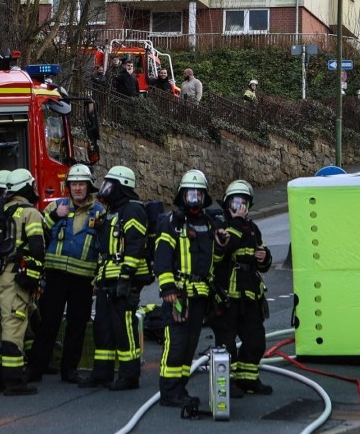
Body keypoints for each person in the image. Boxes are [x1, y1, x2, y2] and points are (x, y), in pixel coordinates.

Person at [30, 165, 106, 384]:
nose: (78, 188)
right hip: (55, 276)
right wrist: (55, 215)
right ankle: (37, 368)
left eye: (82, 184)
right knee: (48, 324)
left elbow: (103, 247)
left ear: (89, 187)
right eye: (74, 184)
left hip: (83, 279)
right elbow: (40, 232)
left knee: (77, 326)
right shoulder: (57, 206)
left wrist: (98, 279)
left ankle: (69, 370)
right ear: (68, 187)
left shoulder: (99, 212)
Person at [154, 170, 220, 411]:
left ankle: (180, 389)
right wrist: (168, 288)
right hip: (178, 295)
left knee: (190, 344)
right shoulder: (172, 222)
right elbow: (162, 257)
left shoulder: (208, 223)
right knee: (176, 344)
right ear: (182, 195)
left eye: (198, 194)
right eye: (190, 194)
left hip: (199, 295)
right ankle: (169, 392)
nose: (194, 199)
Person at [81, 166, 149, 392]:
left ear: (122, 187)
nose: (106, 189)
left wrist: (126, 277)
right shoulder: (112, 210)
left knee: (124, 328)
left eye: (110, 185)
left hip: (124, 280)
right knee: (103, 326)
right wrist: (98, 280)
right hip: (107, 278)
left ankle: (130, 376)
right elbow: (106, 249)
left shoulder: (133, 210)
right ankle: (102, 372)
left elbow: (135, 245)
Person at [0, 168, 46, 395]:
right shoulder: (30, 213)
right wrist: (33, 278)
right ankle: (14, 381)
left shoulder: (0, 211)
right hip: (12, 279)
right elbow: (37, 248)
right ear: (27, 187)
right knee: (13, 328)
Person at [212, 181, 273, 396]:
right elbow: (224, 249)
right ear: (227, 203)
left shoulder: (252, 227)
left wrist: (265, 257)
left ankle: (248, 379)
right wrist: (237, 222)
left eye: (244, 202)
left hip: (251, 294)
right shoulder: (220, 224)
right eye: (235, 202)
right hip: (228, 294)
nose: (240, 206)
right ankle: (226, 384)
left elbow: (262, 262)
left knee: (256, 339)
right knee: (226, 342)